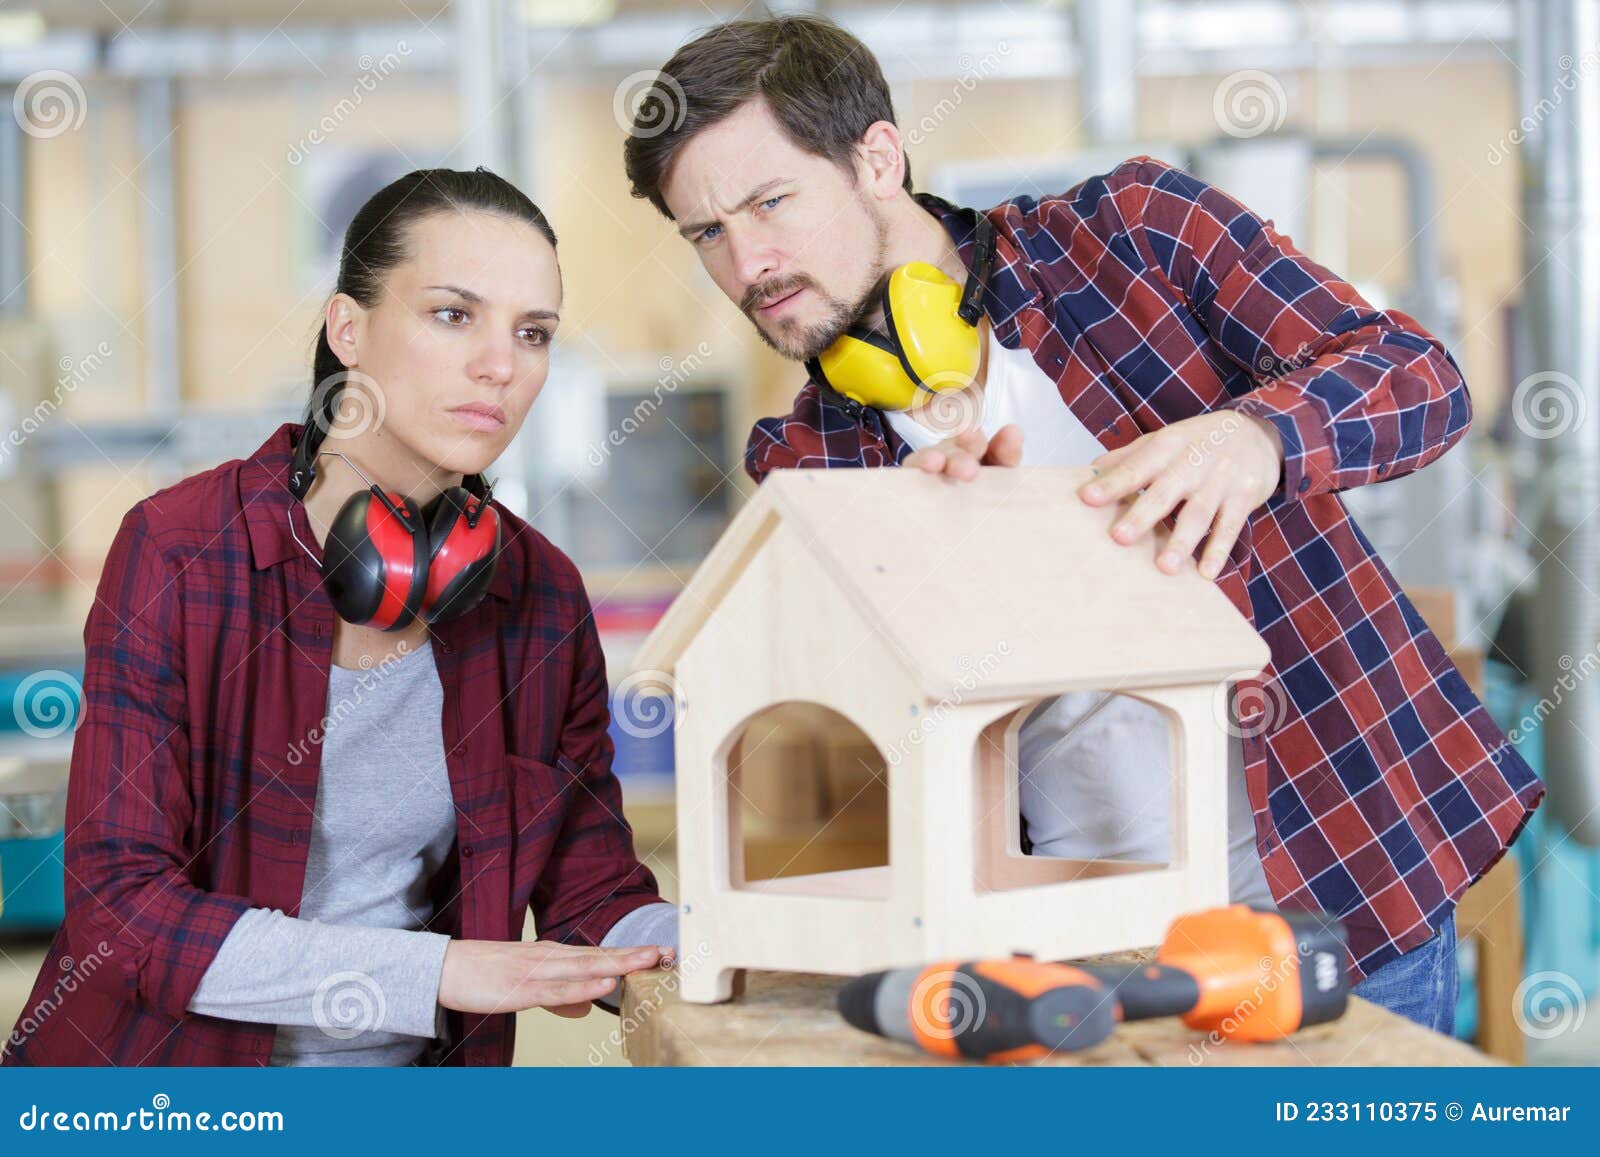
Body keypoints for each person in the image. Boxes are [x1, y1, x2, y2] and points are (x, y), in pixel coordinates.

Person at [622, 15, 1545, 1034]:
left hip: (1337, 883)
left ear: (877, 157)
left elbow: (1418, 374)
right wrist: (935, 566)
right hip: (1076, 947)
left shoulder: (1133, 234)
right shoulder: (808, 460)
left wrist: (1255, 439)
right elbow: (883, 734)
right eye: (706, 231)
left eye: (770, 200)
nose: (747, 260)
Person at [2, 168, 676, 1067]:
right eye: (452, 314)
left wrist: (719, 932)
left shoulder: (540, 595)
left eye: (533, 333)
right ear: (347, 328)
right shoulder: (181, 549)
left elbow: (592, 889)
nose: (500, 365)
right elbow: (122, 906)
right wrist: (435, 971)